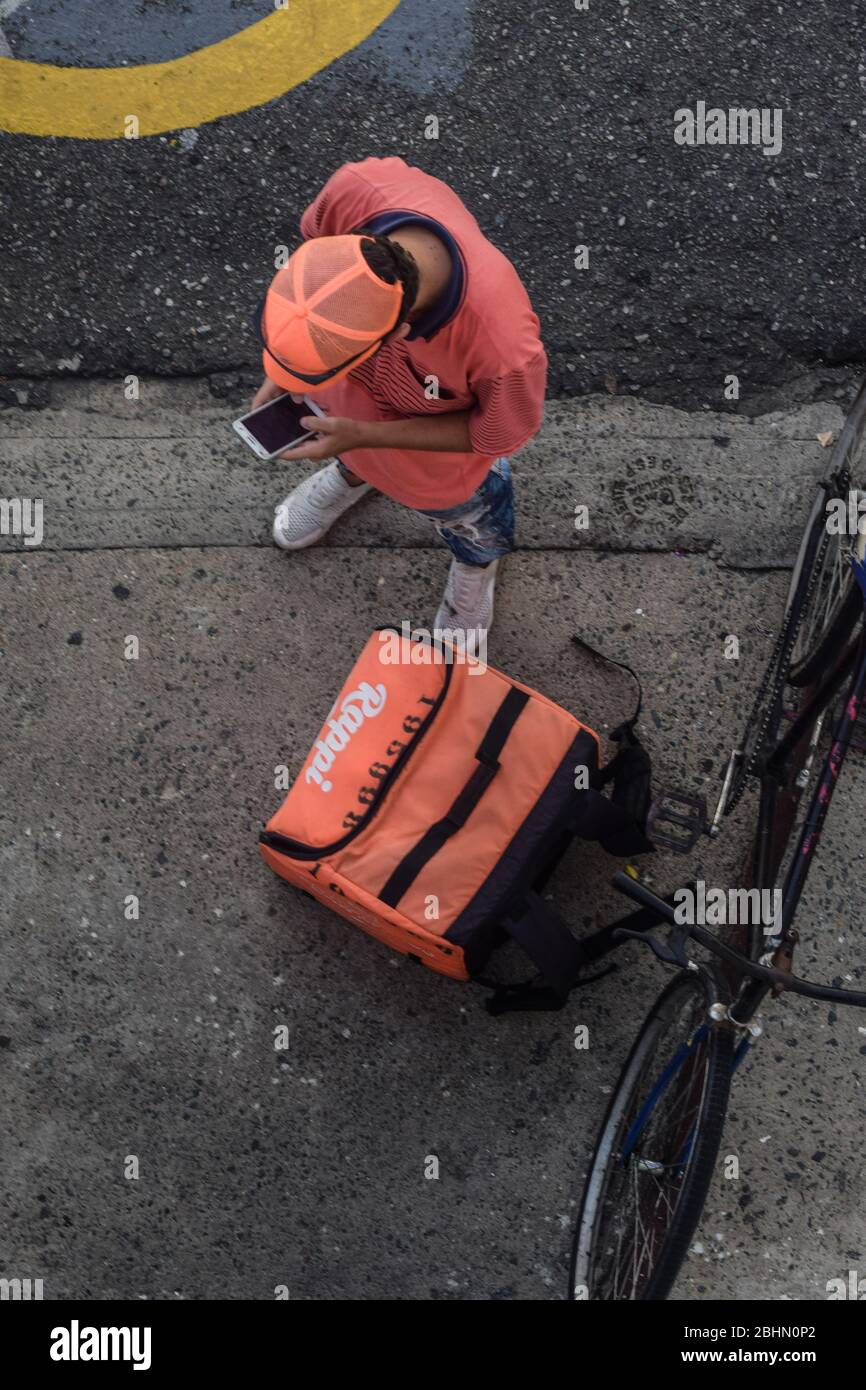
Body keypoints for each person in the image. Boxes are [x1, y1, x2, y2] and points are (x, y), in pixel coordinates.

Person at [249, 156, 547, 637]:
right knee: (348, 445)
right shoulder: (354, 188)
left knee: (474, 517)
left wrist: (361, 434)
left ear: (398, 337)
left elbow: (494, 433)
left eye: (323, 366)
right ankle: (354, 472)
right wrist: (289, 368)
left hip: (437, 466)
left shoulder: (503, 349)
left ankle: (476, 565)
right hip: (345, 424)